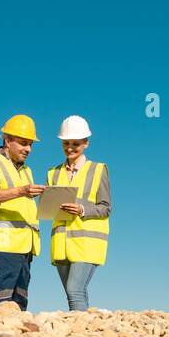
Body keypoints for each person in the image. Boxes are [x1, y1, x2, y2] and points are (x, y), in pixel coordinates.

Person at [0, 115, 45, 310]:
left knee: (18, 307)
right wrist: (22, 191)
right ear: (7, 140)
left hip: (25, 250)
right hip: (2, 248)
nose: (28, 149)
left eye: (30, 144)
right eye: (23, 143)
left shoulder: (26, 171)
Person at [46, 115, 111, 311]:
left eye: (75, 143)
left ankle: (78, 333)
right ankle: (84, 332)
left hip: (87, 243)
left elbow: (106, 207)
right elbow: (50, 207)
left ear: (86, 143)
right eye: (66, 143)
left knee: (75, 289)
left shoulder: (98, 170)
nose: (70, 148)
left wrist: (82, 209)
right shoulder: (53, 173)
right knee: (72, 292)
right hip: (61, 243)